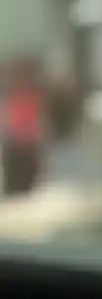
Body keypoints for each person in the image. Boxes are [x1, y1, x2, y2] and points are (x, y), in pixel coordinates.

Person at [2, 58, 47, 197]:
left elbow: (40, 122)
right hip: (14, 145)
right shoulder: (9, 96)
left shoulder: (35, 97)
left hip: (28, 146)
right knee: (13, 185)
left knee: (28, 188)